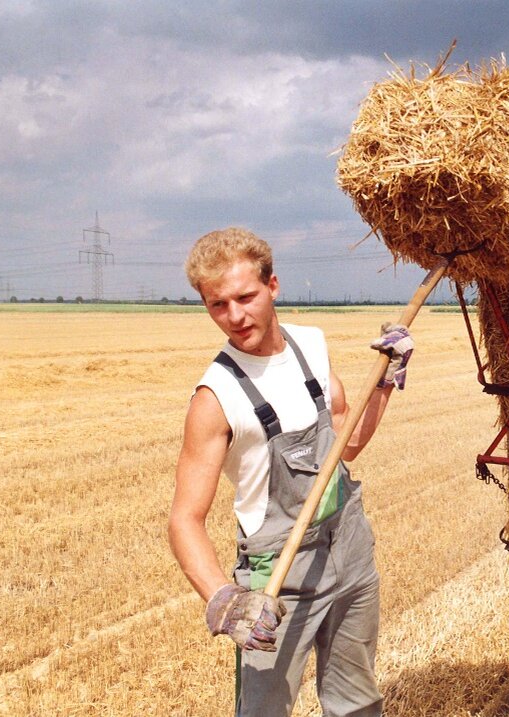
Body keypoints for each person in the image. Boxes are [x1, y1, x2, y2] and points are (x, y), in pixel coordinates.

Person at [169, 227, 412, 717]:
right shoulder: (215, 398)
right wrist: (224, 600)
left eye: (245, 297)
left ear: (273, 286)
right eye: (218, 305)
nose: (235, 317)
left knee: (357, 701)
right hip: (278, 580)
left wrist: (386, 379)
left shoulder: (311, 347)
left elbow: (349, 443)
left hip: (349, 550)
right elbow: (184, 520)